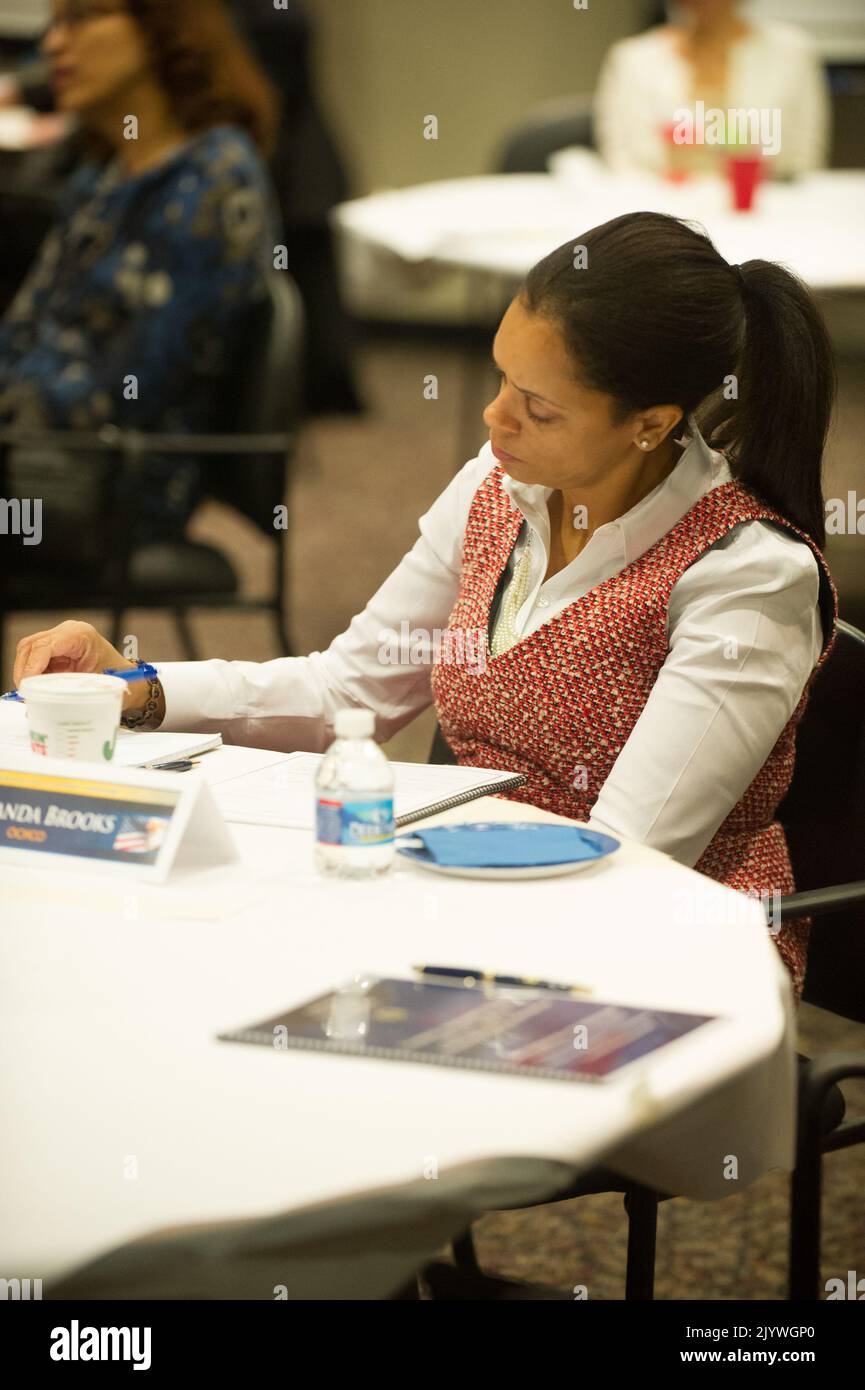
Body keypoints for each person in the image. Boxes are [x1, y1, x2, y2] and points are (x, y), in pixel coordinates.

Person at [14, 211, 837, 1001]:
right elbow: (350, 693)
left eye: (537, 405)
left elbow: (627, 856)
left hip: (657, 939)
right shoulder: (499, 486)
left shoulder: (747, 578)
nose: (495, 416)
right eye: (501, 377)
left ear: (649, 425)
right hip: (472, 885)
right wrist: (138, 690)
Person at [0, 0, 279, 544]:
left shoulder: (214, 180)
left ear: (161, 30)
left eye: (80, 18)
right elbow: (26, 330)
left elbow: (128, 394)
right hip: (32, 462)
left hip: (111, 487)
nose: (54, 44)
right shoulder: (105, 171)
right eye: (55, 23)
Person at [594, 0, 830, 178]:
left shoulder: (792, 52)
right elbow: (621, 161)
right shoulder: (632, 58)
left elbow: (802, 159)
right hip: (662, 214)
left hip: (760, 214)